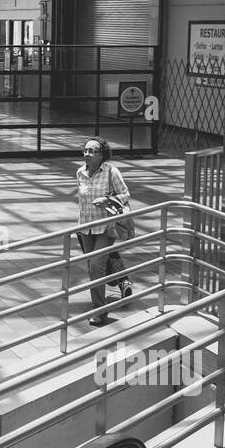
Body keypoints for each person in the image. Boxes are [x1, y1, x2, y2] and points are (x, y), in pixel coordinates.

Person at [75, 138, 133, 327]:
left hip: (106, 227)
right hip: (85, 226)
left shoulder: (111, 172)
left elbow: (125, 194)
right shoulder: (80, 173)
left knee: (96, 267)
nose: (87, 154)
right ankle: (122, 281)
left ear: (102, 155)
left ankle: (99, 310)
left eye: (92, 151)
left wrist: (107, 200)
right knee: (93, 267)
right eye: (85, 150)